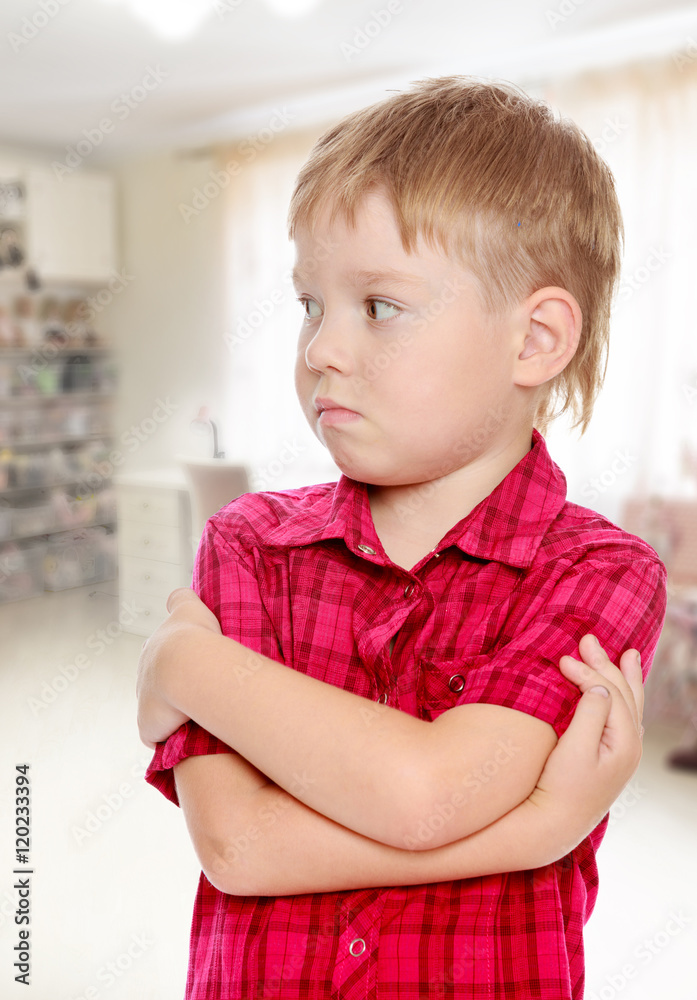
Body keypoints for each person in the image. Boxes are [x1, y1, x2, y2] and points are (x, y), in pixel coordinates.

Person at [137, 76, 666, 1000]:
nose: (318, 350)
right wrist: (538, 823)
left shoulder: (601, 574)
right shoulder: (248, 544)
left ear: (535, 339)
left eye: (378, 306)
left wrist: (182, 669)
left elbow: (429, 795)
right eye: (310, 304)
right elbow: (236, 846)